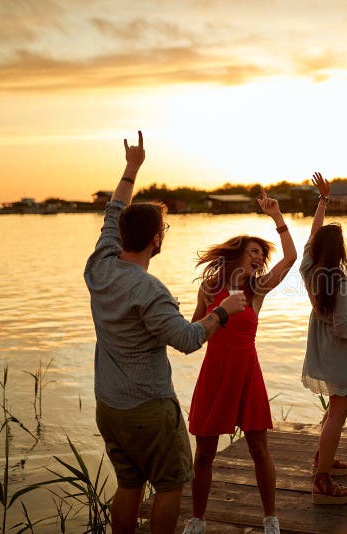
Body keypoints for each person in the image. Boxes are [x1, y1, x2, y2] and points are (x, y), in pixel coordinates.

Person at [84, 131, 246, 534]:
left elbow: (113, 211)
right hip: (149, 408)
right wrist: (222, 312)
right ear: (156, 240)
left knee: (129, 484)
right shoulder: (150, 290)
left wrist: (132, 168)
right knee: (170, 485)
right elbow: (187, 340)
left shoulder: (99, 265)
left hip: (109, 405)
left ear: (123, 234)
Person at [183, 188, 296, 534]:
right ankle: (197, 520)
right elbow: (193, 334)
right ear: (237, 255)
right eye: (254, 252)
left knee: (259, 449)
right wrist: (214, 313)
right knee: (204, 454)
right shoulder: (209, 289)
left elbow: (290, 257)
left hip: (248, 373)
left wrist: (277, 217)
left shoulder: (256, 291)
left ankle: (271, 520)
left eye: (262, 254)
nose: (260, 258)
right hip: (215, 373)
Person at [300, 172, 347, 504]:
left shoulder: (311, 271)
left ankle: (323, 459)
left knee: (333, 408)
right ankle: (322, 480)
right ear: (340, 249)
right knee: (338, 412)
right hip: (339, 354)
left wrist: (323, 201)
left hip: (321, 350)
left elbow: (311, 239)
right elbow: (344, 327)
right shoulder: (340, 282)